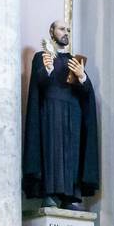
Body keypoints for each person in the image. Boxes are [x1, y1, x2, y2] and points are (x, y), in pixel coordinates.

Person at [21, 21, 100, 208]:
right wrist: (47, 69)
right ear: (51, 31)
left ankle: (69, 196)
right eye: (62, 29)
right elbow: (37, 83)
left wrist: (82, 76)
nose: (66, 33)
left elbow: (87, 92)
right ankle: (50, 194)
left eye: (68, 30)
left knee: (72, 153)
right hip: (51, 112)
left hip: (74, 114)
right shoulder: (42, 56)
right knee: (52, 151)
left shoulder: (74, 60)